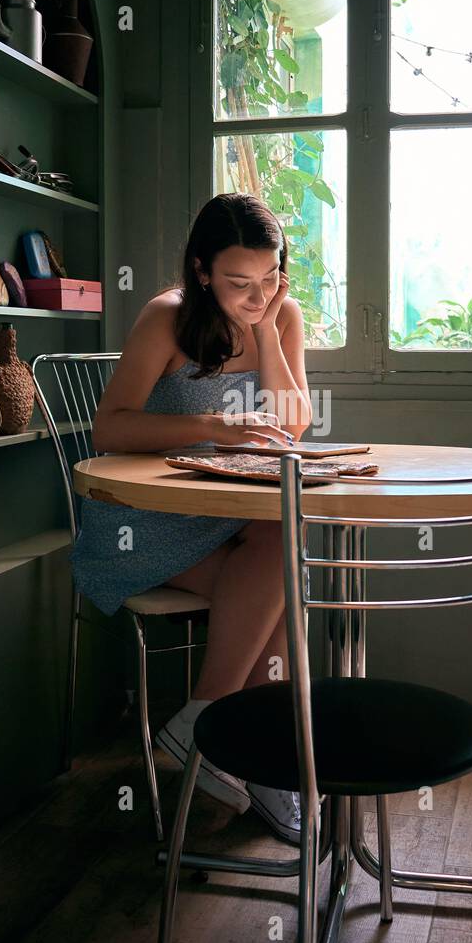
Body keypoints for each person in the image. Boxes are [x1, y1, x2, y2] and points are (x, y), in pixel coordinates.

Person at [69, 193, 312, 844]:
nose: (256, 294)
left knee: (283, 544)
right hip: (143, 519)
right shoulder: (167, 317)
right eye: (239, 283)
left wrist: (264, 330)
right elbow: (109, 427)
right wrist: (213, 425)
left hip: (222, 513)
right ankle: (257, 763)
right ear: (202, 271)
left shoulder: (277, 315)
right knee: (285, 581)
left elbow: (293, 424)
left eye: (269, 278)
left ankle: (204, 720)